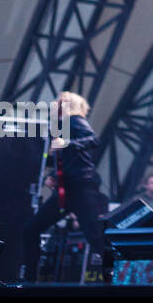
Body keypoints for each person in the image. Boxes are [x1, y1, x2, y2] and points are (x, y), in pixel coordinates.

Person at [21, 91, 111, 283]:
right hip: (67, 189)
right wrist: (53, 176)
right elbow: (68, 161)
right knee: (31, 229)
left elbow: (93, 140)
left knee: (95, 237)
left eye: (61, 100)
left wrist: (67, 143)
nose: (56, 103)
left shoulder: (75, 120)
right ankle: (29, 280)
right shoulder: (61, 126)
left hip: (82, 187)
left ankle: (114, 278)